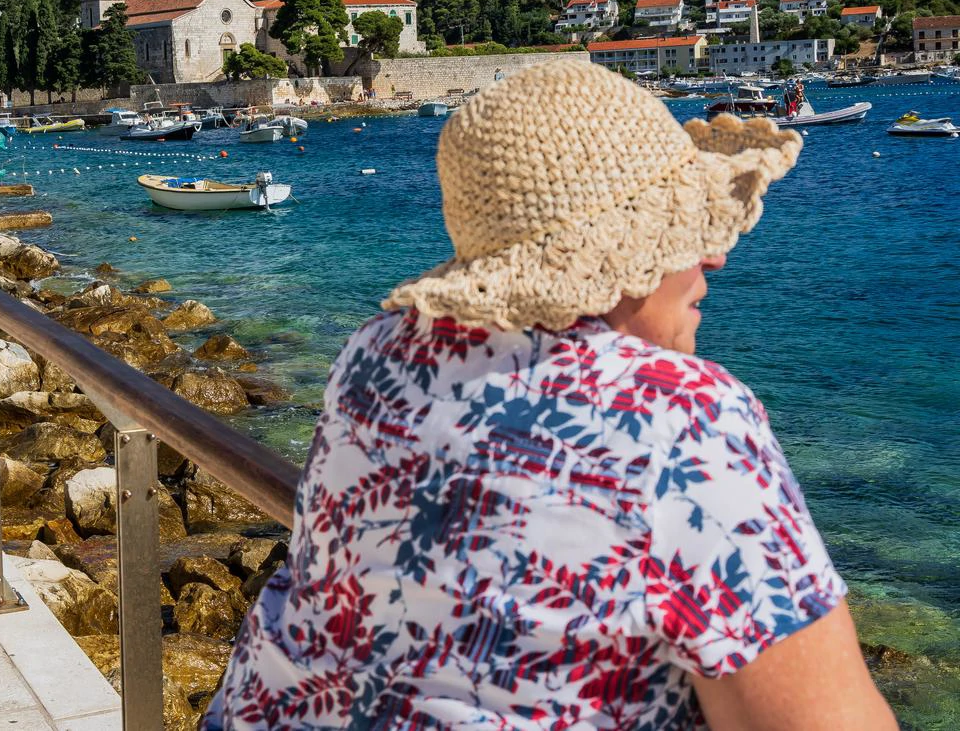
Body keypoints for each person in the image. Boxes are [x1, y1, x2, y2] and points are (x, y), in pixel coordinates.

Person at [206, 58, 893, 731]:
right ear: (621, 254)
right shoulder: (682, 421)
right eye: (687, 232)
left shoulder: (376, 351)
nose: (714, 255)